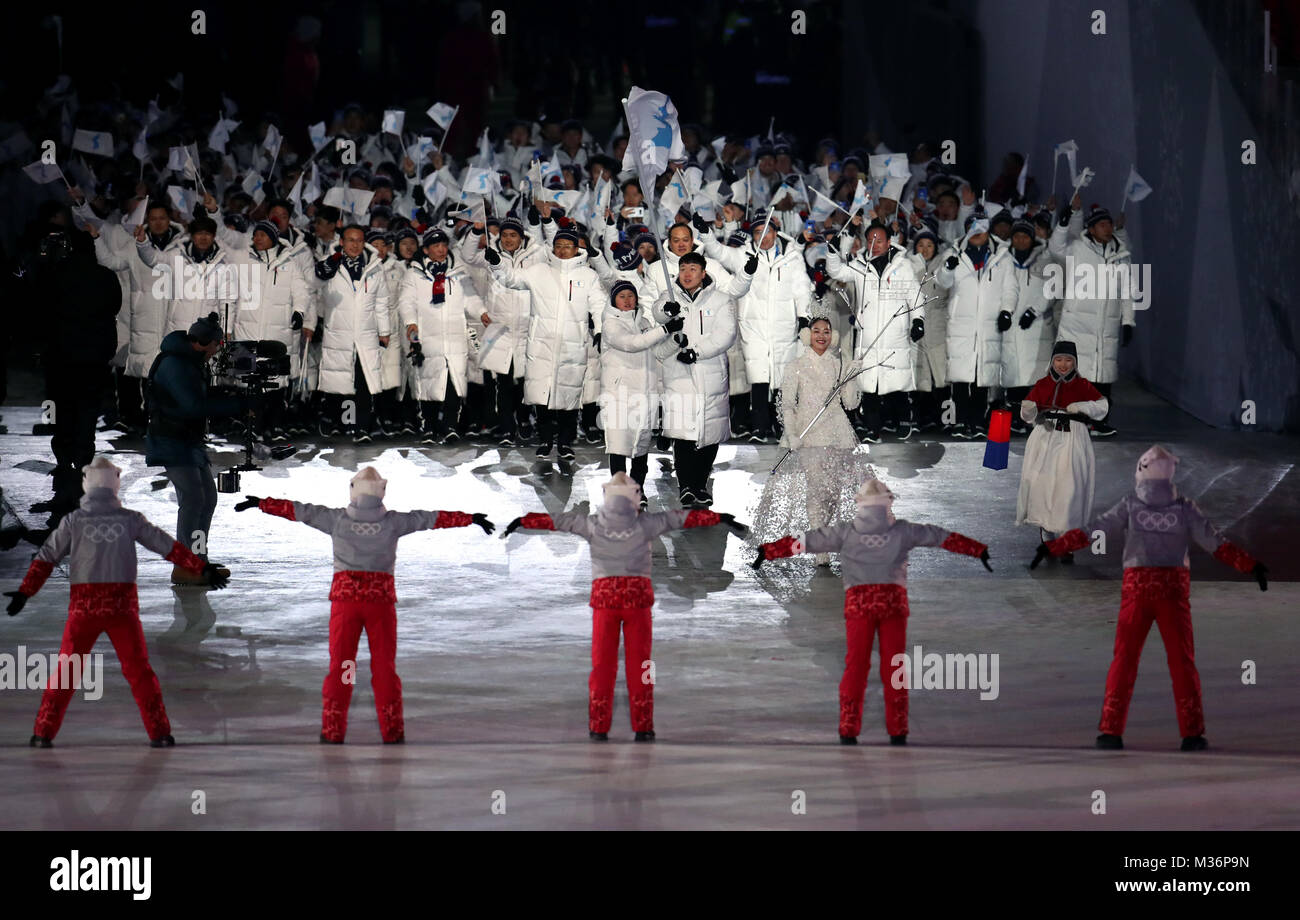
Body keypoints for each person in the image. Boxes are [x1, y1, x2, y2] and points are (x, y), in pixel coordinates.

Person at [1032, 446, 1268, 751]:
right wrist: (1250, 565)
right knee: (1182, 662)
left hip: (1137, 589)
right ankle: (1192, 733)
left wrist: (1053, 547)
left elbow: (1092, 531)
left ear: (1141, 472)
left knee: (1125, 660)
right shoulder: (1185, 508)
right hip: (1173, 590)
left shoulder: (1130, 505)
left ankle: (1110, 731)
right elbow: (1216, 544)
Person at [235, 467, 495, 743]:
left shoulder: (336, 520)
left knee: (344, 666)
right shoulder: (394, 523)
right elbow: (430, 519)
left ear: (352, 491)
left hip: (346, 604)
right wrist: (469, 519)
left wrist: (262, 503)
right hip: (380, 604)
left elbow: (301, 511)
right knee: (384, 668)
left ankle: (333, 730)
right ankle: (392, 731)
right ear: (382, 492)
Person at [503, 473, 748, 740]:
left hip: (605, 604)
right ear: (635, 498)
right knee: (642, 666)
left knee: (602, 668)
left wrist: (522, 521)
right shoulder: (648, 523)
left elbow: (556, 522)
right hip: (638, 604)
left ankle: (599, 727)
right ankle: (643, 726)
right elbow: (684, 517)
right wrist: (719, 517)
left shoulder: (591, 524)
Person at [5, 457, 228, 748]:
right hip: (122, 608)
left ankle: (43, 733)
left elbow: (47, 557)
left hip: (84, 608)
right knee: (139, 671)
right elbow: (168, 547)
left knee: (67, 670)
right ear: (115, 486)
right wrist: (202, 568)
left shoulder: (73, 522)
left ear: (87, 486)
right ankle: (159, 733)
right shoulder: (130, 520)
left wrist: (25, 592)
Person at [753, 479, 992, 743]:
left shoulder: (845, 532)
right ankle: (898, 729)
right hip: (893, 605)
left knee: (856, 666)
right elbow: (939, 536)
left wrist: (769, 551)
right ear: (888, 503)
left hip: (859, 605)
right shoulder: (904, 531)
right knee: (894, 667)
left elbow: (807, 541)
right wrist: (977, 550)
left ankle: (848, 727)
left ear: (860, 504)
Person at [751, 315, 873, 566]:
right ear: (807, 335)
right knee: (817, 490)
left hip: (838, 435)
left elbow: (850, 403)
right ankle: (821, 549)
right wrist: (792, 433)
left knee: (833, 495)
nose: (821, 336)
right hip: (809, 434)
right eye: (816, 331)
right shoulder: (795, 365)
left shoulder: (839, 364)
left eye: (826, 331)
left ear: (833, 336)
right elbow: (786, 404)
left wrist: (853, 375)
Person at [482, 220, 605, 463]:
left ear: (576, 248)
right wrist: (496, 263)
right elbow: (511, 279)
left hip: (572, 345)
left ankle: (566, 443)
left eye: (567, 246)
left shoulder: (588, 275)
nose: (562, 250)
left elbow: (599, 304)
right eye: (558, 245)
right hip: (542, 345)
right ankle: (546, 440)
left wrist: (600, 329)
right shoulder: (539, 271)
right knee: (542, 397)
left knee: (568, 399)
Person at [145, 313, 251, 583]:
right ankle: (184, 566)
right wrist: (236, 406)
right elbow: (190, 406)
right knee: (192, 499)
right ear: (204, 343)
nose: (217, 352)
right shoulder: (174, 365)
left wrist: (233, 397)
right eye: (216, 346)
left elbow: (199, 398)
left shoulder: (190, 362)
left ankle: (198, 560)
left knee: (207, 498)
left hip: (187, 439)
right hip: (171, 439)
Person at [26, 218, 120, 518]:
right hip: (93, 361)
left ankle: (67, 477)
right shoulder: (105, 277)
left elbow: (40, 309)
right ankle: (81, 474)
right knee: (86, 419)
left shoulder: (55, 275)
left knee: (63, 419)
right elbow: (115, 307)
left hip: (63, 361)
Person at [697, 211, 813, 442]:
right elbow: (719, 252)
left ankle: (783, 427)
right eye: (758, 232)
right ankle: (760, 428)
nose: (764, 237)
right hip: (754, 326)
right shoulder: (743, 256)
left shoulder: (791, 258)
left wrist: (803, 316)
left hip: (784, 327)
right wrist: (706, 234)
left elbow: (802, 288)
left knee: (783, 377)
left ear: (775, 232)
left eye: (767, 232)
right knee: (759, 377)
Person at [651, 250, 754, 506]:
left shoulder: (721, 299)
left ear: (703, 273)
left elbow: (726, 334)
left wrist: (698, 352)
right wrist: (667, 310)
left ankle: (700, 485)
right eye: (683, 269)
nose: (687, 274)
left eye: (693, 269)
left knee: (709, 433)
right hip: (679, 374)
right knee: (683, 432)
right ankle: (685, 486)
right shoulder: (669, 296)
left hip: (710, 372)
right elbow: (657, 313)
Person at [826, 220, 922, 442]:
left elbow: (915, 295)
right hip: (868, 336)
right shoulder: (859, 266)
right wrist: (833, 250)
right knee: (868, 386)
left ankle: (904, 419)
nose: (875, 244)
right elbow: (836, 271)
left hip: (894, 335)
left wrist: (918, 320)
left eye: (879, 240)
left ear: (889, 241)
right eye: (870, 240)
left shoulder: (902, 266)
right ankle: (873, 430)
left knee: (896, 383)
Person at [459, 213, 550, 447]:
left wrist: (544, 221)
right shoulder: (491, 254)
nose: (508, 239)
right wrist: (477, 231)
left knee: (526, 381)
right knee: (504, 383)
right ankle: (508, 429)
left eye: (513, 235)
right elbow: (467, 255)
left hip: (528, 328)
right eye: (505, 235)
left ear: (521, 237)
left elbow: (551, 246)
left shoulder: (535, 254)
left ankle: (525, 420)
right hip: (501, 330)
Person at [1016, 341, 1108, 563]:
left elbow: (1102, 406)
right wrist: (1028, 410)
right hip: (1045, 438)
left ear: (1075, 362)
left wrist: (1083, 407)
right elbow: (1029, 414)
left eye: (1068, 360)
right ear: (1052, 361)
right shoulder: (1042, 384)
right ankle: (1047, 536)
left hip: (1072, 439)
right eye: (1059, 359)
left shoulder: (1083, 385)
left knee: (1069, 488)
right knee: (1042, 485)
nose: (1063, 365)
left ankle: (1066, 540)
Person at [1048, 200, 1135, 437]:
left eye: (1109, 224)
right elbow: (1055, 248)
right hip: (1077, 323)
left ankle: (1099, 422)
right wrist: (1063, 223)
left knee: (1102, 376)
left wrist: (1128, 321)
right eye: (1102, 224)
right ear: (1092, 228)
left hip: (1105, 325)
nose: (1107, 228)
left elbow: (1127, 291)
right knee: (1077, 374)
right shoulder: (1078, 248)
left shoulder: (1121, 255)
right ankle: (1075, 420)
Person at [399, 228, 482, 444]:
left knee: (453, 383)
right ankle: (429, 427)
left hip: (454, 338)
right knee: (429, 385)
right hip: (429, 337)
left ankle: (450, 426)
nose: (441, 250)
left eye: (444, 245)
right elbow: (406, 302)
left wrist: (482, 313)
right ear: (426, 250)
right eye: (436, 246)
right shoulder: (414, 274)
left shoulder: (458, 273)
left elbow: (471, 299)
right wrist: (411, 323)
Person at [599, 280, 679, 503]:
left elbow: (656, 351)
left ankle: (638, 489)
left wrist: (675, 340)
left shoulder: (643, 322)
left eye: (630, 296)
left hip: (644, 394)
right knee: (618, 445)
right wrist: (663, 329)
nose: (627, 300)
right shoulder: (610, 324)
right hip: (619, 395)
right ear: (614, 300)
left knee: (641, 445)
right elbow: (632, 344)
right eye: (622, 296)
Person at [310, 225, 391, 442]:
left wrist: (384, 330)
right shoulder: (330, 263)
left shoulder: (374, 267)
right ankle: (332, 420)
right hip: (338, 332)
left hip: (365, 334)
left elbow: (381, 301)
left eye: (359, 240)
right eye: (350, 240)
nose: (355, 245)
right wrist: (324, 270)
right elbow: (312, 285)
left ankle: (361, 429)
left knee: (364, 382)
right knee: (339, 383)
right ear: (342, 242)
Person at [937, 213, 1010, 439]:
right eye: (973, 229)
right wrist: (948, 268)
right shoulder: (954, 253)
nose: (978, 234)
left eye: (982, 229)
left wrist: (1006, 310)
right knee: (960, 378)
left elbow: (1010, 288)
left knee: (982, 378)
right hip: (962, 326)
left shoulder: (1001, 257)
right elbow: (942, 282)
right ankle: (959, 422)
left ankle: (977, 422)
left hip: (988, 327)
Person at [998, 218, 1059, 433]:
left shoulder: (1046, 258)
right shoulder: (1003, 258)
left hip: (1037, 325)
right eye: (1016, 236)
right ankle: (1016, 417)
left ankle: (1033, 418)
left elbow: (1053, 289)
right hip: (1011, 326)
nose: (1021, 240)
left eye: (1025, 236)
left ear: (1032, 238)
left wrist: (1034, 310)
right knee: (1014, 375)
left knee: (1035, 374)